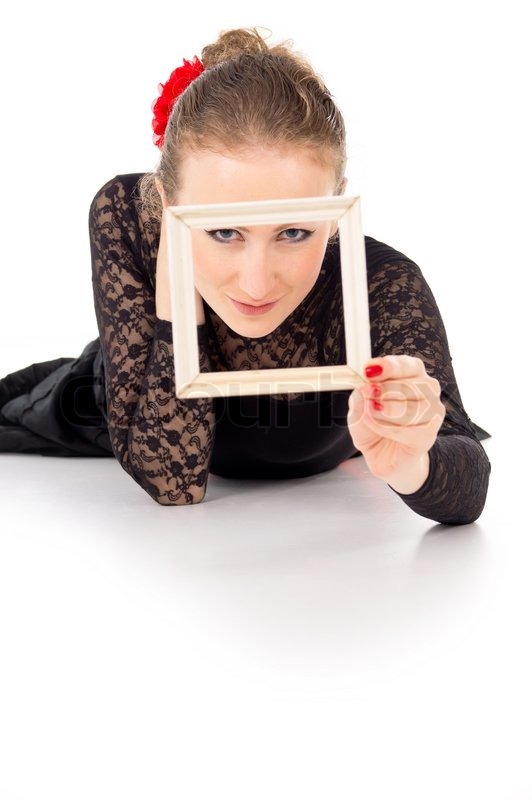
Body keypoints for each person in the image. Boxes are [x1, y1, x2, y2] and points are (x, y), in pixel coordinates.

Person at [0, 27, 490, 524]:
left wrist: (412, 464)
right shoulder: (128, 216)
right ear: (168, 205)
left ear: (336, 206)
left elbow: (466, 483)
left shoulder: (383, 286)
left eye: (294, 232)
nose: (256, 285)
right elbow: (173, 482)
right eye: (224, 232)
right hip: (111, 402)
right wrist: (177, 268)